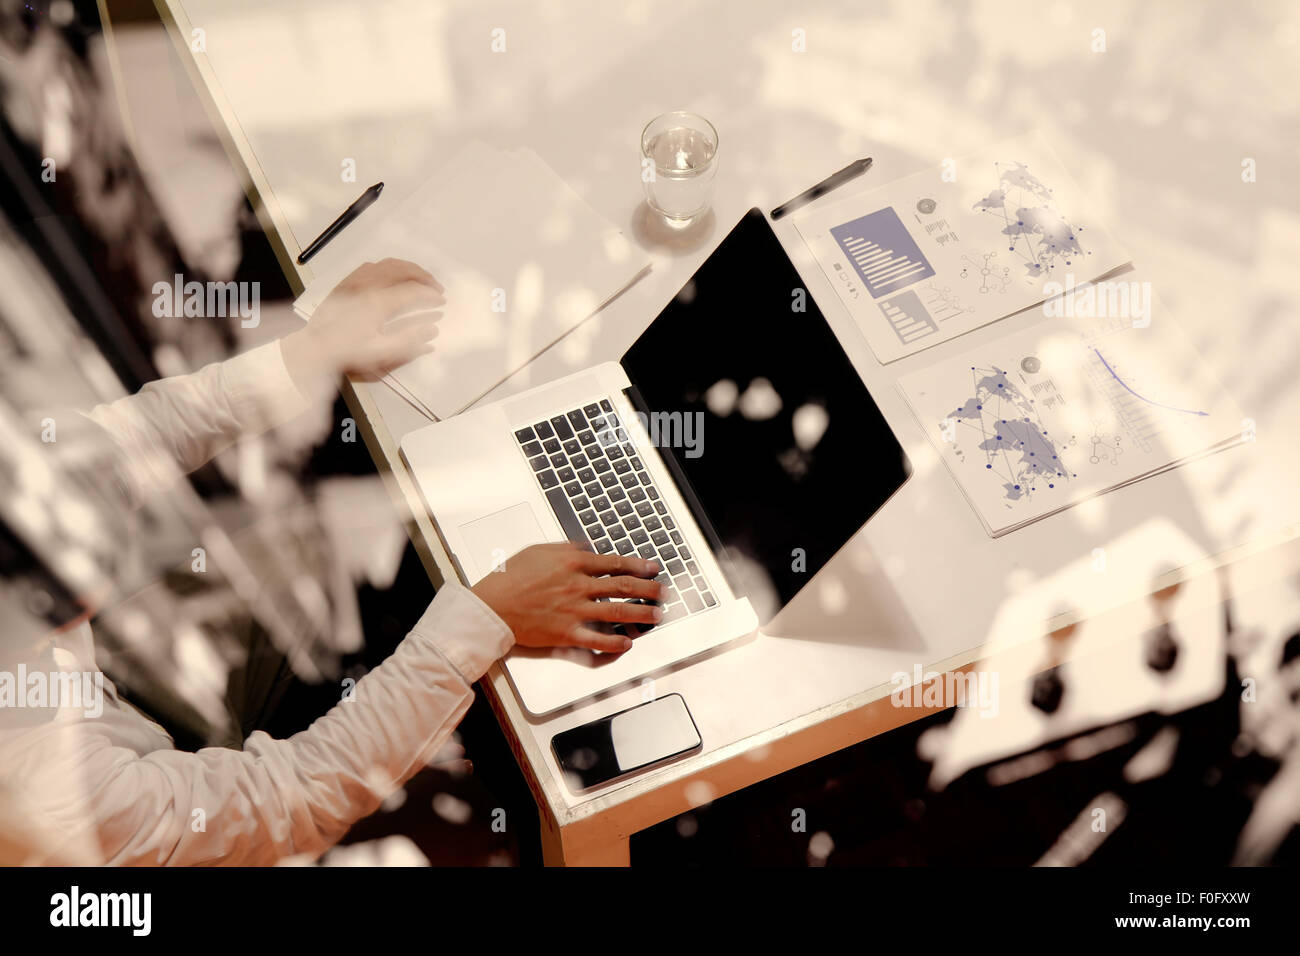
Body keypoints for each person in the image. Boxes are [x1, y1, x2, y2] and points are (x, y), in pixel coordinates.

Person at [0, 259, 663, 865]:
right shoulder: (50, 799)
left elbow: (132, 436)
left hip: (141, 717)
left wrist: (311, 352)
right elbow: (286, 798)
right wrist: (484, 618)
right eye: (72, 594)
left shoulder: (30, 490)